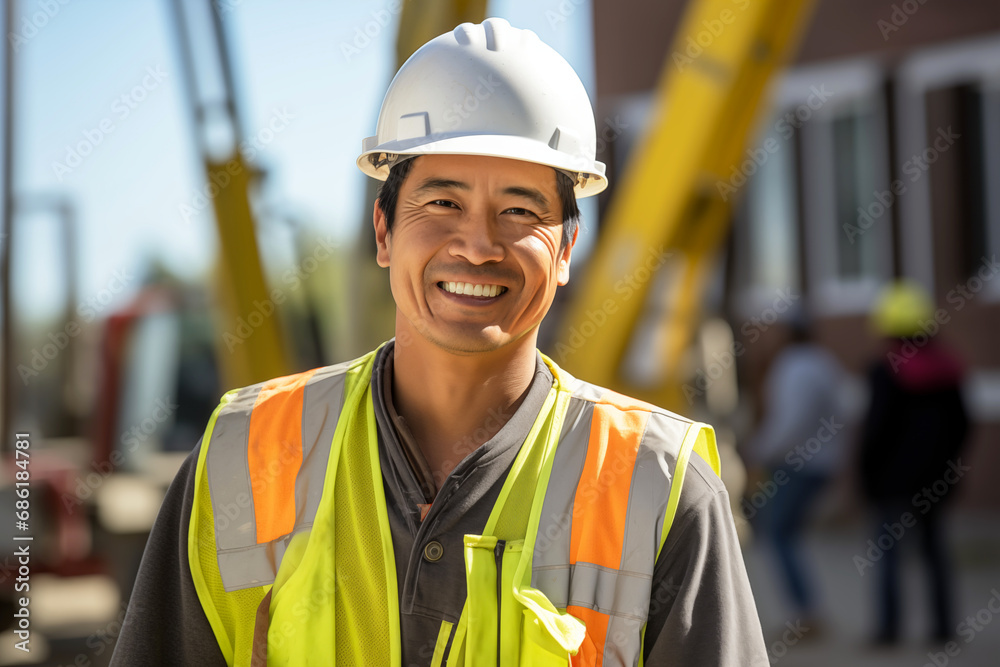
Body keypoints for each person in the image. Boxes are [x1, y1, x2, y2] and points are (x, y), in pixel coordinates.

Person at [112, 18, 768, 666]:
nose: (478, 245)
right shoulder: (238, 461)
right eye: (443, 204)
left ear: (566, 248)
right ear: (383, 232)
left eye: (519, 210)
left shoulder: (662, 490)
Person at [859, 281, 969, 645]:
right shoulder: (948, 368)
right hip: (935, 479)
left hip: (892, 482)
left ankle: (890, 631)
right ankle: (943, 629)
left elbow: (875, 430)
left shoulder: (885, 371)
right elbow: (963, 425)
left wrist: (865, 474)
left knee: (889, 556)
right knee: (935, 553)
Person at [742, 315, 848, 634]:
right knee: (788, 533)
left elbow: (790, 421)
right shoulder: (826, 363)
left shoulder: (793, 366)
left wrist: (758, 450)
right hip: (822, 463)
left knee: (778, 533)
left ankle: (806, 615)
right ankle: (807, 612)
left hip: (795, 464)